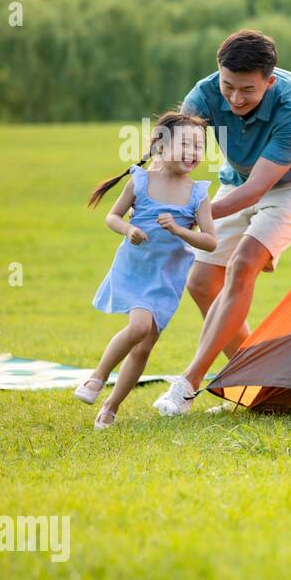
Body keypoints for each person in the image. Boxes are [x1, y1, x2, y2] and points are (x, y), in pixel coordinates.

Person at [154, 29, 291, 416]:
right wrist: (152, 194)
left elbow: (257, 189)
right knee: (202, 282)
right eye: (227, 86)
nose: (235, 99)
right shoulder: (202, 95)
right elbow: (176, 155)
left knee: (242, 265)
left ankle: (188, 384)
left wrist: (189, 213)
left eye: (247, 90)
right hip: (237, 180)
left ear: (269, 81)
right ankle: (253, 387)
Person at [75, 111, 217, 428]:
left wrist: (182, 231)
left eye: (199, 146)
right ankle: (97, 377)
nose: (194, 153)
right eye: (186, 144)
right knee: (139, 328)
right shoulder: (140, 181)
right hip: (134, 268)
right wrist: (128, 231)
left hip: (166, 279)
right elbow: (112, 216)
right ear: (161, 146)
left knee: (144, 347)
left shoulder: (198, 193)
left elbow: (210, 241)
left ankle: (111, 407)